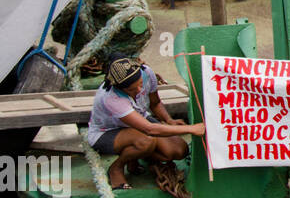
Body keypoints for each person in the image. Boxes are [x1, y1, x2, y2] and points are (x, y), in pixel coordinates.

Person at [87, 57, 205, 190]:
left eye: (140, 84)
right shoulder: (111, 97)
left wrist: (169, 120)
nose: (138, 90)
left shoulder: (147, 73)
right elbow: (149, 129)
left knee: (178, 150)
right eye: (131, 90)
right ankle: (117, 167)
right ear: (121, 88)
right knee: (146, 141)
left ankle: (134, 156)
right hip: (107, 132)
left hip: (139, 119)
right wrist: (191, 129)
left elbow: (155, 103)